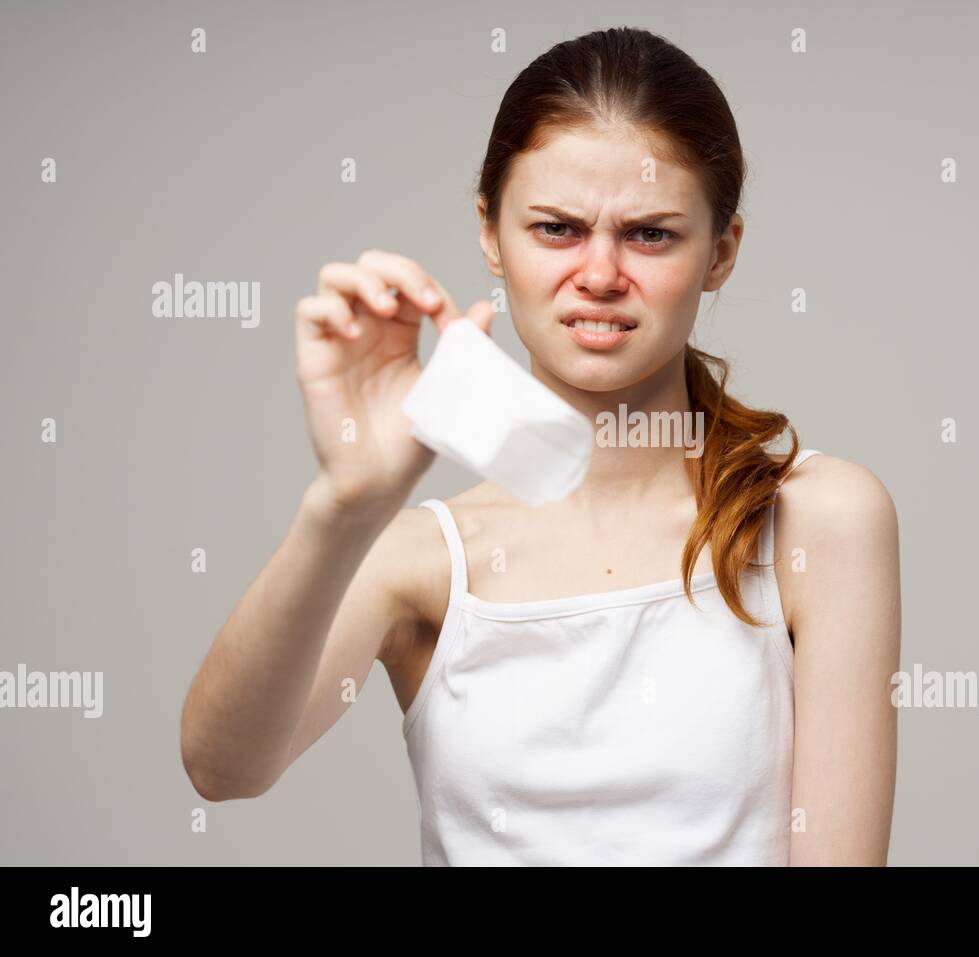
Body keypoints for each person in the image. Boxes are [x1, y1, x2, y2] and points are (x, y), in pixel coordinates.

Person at [180, 26, 901, 866]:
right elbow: (221, 766)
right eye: (557, 228)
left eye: (651, 234)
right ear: (491, 234)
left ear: (722, 252)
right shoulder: (419, 559)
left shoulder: (820, 519)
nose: (599, 274)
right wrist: (344, 504)